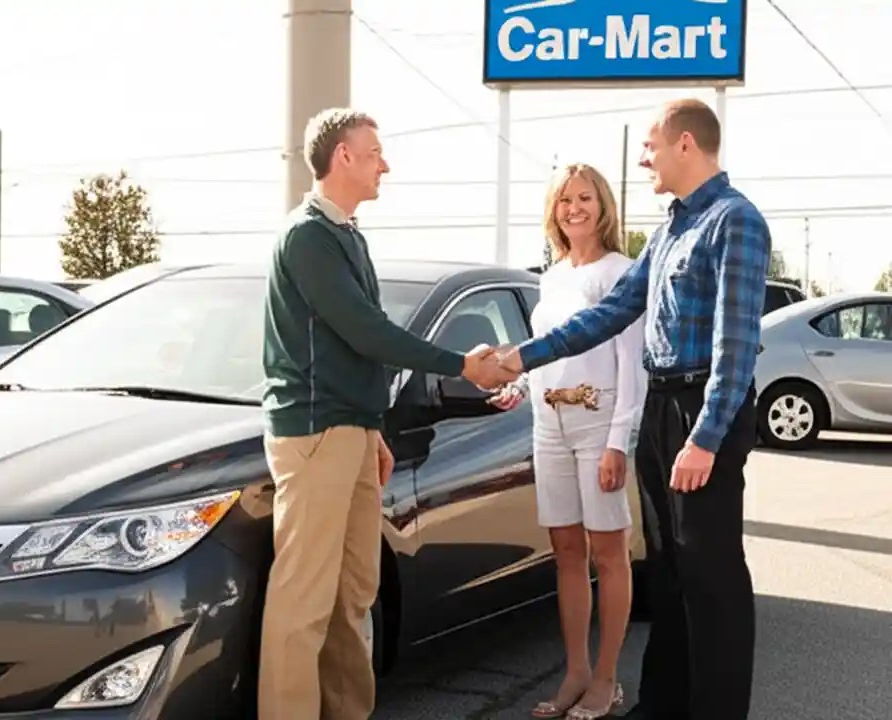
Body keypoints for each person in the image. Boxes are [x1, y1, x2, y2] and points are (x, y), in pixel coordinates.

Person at [496, 98, 770, 720]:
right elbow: (613, 311)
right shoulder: (673, 226)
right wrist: (523, 357)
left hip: (703, 411)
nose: (643, 157)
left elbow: (736, 341)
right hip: (661, 408)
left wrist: (704, 437)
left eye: (651, 145)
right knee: (670, 571)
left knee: (712, 575)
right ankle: (662, 703)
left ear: (685, 146)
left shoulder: (736, 221)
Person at [259, 107, 509, 719]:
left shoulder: (346, 234)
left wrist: (371, 427)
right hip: (315, 435)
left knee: (353, 595)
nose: (384, 165)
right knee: (304, 602)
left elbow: (354, 345)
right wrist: (462, 366)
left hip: (349, 432)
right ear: (342, 157)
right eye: (374, 153)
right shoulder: (307, 237)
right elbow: (368, 332)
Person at [490, 163, 646, 719]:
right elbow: (545, 352)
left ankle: (606, 679)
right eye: (564, 200)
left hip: (598, 419)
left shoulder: (622, 273)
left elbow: (632, 364)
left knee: (609, 554)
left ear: (603, 205)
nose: (574, 208)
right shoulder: (551, 277)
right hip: (547, 425)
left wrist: (617, 443)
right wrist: (519, 387)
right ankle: (575, 672)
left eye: (584, 198)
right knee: (566, 554)